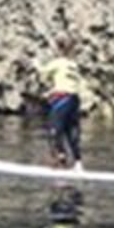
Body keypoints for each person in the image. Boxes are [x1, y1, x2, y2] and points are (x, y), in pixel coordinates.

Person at [37, 38, 84, 171]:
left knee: (54, 131)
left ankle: (61, 160)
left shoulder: (58, 63)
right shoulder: (73, 65)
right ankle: (78, 163)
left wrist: (35, 64)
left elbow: (42, 72)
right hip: (74, 100)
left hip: (62, 101)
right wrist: (51, 92)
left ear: (58, 49)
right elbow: (70, 85)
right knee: (70, 132)